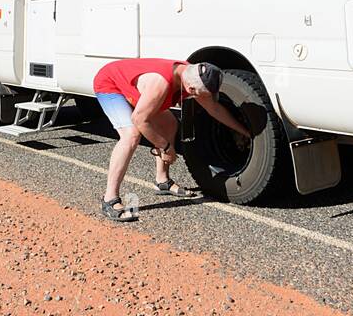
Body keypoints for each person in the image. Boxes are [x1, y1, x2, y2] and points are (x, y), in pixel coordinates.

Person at [92, 58, 251, 222]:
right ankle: (109, 199)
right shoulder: (160, 85)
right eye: (206, 94)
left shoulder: (194, 74)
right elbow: (139, 119)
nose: (209, 98)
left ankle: (162, 181)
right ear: (191, 90)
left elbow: (215, 109)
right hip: (110, 83)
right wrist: (166, 147)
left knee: (169, 124)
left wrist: (244, 132)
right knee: (131, 135)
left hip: (136, 86)